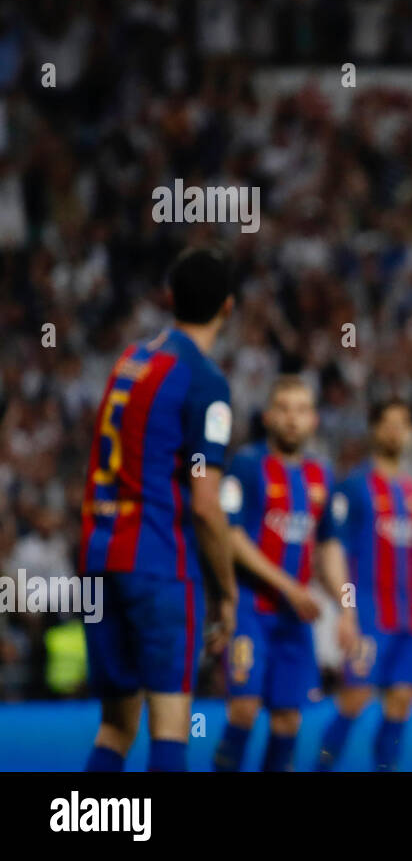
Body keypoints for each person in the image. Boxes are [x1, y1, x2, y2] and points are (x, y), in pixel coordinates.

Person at [80, 246, 238, 772]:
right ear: (229, 308)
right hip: (157, 564)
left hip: (99, 560)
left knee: (116, 724)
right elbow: (205, 502)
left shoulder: (130, 361)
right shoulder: (207, 383)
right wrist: (227, 591)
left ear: (169, 299)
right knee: (170, 723)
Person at [212, 376, 358, 771]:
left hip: (295, 618)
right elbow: (232, 535)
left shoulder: (321, 475)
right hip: (250, 609)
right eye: (284, 409)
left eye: (301, 410)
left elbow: (329, 547)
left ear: (313, 420)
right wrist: (290, 586)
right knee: (243, 708)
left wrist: (348, 609)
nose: (292, 419)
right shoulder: (246, 464)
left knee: (288, 719)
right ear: (269, 417)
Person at [314, 399, 412, 771]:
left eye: (403, 425)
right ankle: (318, 767)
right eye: (388, 423)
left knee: (399, 707)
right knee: (354, 700)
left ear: (410, 433)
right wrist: (346, 610)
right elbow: (337, 552)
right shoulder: (354, 487)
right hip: (370, 619)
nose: (396, 431)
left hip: (409, 622)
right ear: (374, 429)